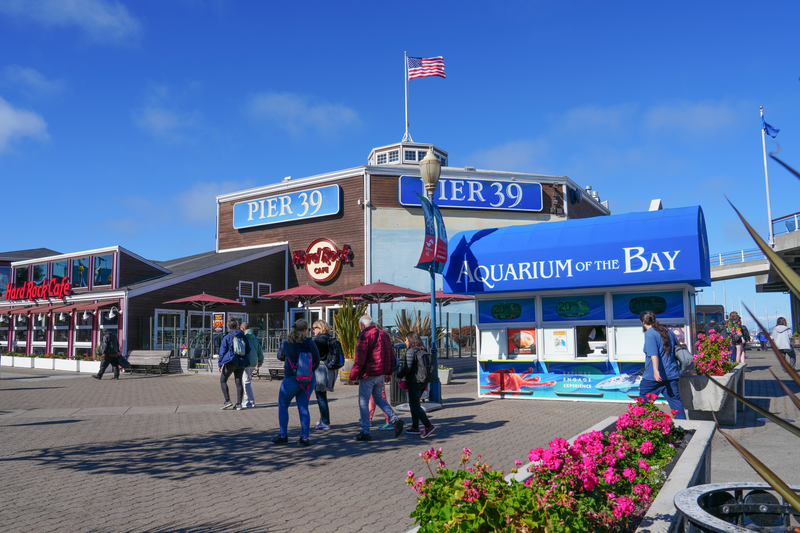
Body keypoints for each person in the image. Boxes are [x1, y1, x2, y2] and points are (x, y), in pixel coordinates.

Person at [349, 315, 404, 441]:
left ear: (362, 325)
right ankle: (395, 419)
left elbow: (359, 360)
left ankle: (366, 432)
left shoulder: (364, 336)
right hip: (381, 374)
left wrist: (352, 376)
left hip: (369, 375)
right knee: (379, 398)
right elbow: (390, 355)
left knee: (363, 402)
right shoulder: (384, 334)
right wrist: (388, 372)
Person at [273, 319, 320, 446]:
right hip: (308, 381)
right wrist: (307, 371)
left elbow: (279, 356)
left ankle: (283, 435)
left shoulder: (287, 342)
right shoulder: (310, 342)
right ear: (305, 330)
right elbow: (317, 361)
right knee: (303, 407)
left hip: (291, 379)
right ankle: (304, 438)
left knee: (283, 406)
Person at [638, 310, 686, 419]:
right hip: (671, 375)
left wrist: (656, 371)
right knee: (676, 403)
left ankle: (643, 425)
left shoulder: (650, 333)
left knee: (643, 403)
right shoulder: (668, 331)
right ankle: (684, 426)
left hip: (653, 377)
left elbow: (653, 354)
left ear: (643, 322)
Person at [397, 331, 436, 438]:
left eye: (406, 340)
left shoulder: (411, 351)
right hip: (424, 381)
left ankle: (429, 426)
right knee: (413, 405)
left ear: (410, 340)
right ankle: (415, 427)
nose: (405, 342)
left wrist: (399, 375)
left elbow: (407, 367)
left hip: (415, 382)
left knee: (415, 406)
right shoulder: (423, 350)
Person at [218, 318, 249, 411]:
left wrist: (220, 363)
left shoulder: (227, 336)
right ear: (237, 326)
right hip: (241, 362)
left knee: (223, 380)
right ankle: (239, 404)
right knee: (238, 382)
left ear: (228, 327)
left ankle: (227, 401)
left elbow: (222, 351)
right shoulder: (243, 336)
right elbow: (248, 349)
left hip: (231, 361)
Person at [312, 320, 337, 430]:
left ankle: (325, 421)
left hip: (320, 370)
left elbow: (313, 356)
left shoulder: (318, 340)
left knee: (321, 396)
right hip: (330, 370)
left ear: (319, 328)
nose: (313, 331)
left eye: (314, 328)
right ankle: (323, 419)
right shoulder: (330, 338)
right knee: (323, 396)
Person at [241, 322, 263, 408]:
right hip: (253, 362)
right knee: (247, 380)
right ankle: (247, 399)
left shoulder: (243, 337)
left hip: (246, 362)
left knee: (246, 382)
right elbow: (259, 350)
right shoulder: (255, 338)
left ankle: (250, 400)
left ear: (242, 329)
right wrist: (260, 361)